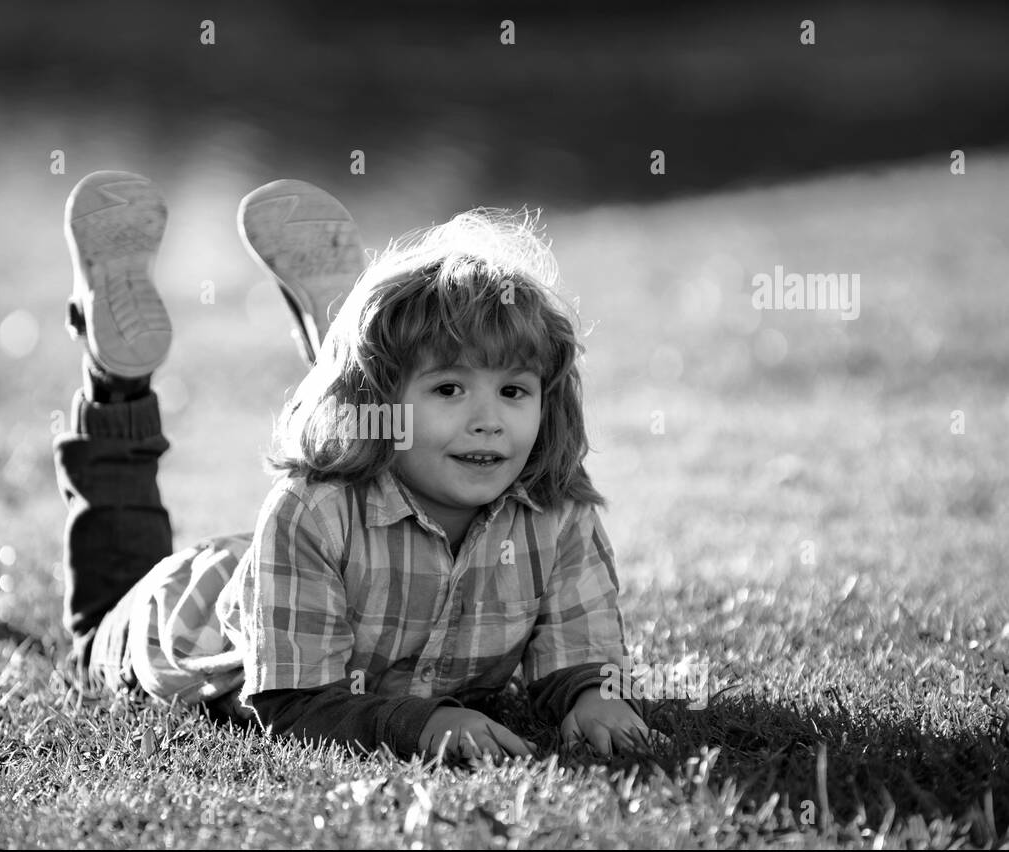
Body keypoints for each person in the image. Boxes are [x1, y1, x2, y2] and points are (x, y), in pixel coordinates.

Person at [53, 169, 661, 763]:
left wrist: (593, 697)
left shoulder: (556, 512)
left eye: (513, 391)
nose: (489, 420)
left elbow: (581, 647)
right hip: (172, 623)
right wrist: (424, 723)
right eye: (450, 389)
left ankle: (355, 345)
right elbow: (294, 704)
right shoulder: (310, 510)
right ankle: (116, 384)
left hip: (301, 573)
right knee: (94, 626)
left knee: (372, 426)